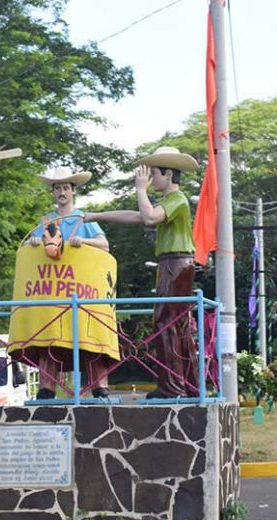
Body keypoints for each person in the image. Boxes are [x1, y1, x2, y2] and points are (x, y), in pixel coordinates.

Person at [84, 146, 199, 399]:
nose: (150, 178)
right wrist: (96, 216)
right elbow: (137, 215)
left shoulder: (177, 200)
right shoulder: (169, 202)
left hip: (176, 262)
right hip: (172, 263)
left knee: (166, 322)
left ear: (168, 174)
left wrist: (140, 189)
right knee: (173, 324)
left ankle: (173, 387)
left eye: (154, 173)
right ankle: (186, 384)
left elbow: (148, 218)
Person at [29, 167, 112, 400]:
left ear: (73, 191)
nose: (62, 192)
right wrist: (35, 242)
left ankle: (99, 386)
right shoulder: (47, 221)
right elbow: (31, 245)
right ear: (53, 193)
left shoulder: (82, 218)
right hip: (54, 292)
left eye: (66, 187)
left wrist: (83, 240)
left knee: (90, 336)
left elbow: (104, 244)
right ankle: (46, 387)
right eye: (58, 188)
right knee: (50, 336)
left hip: (83, 291)